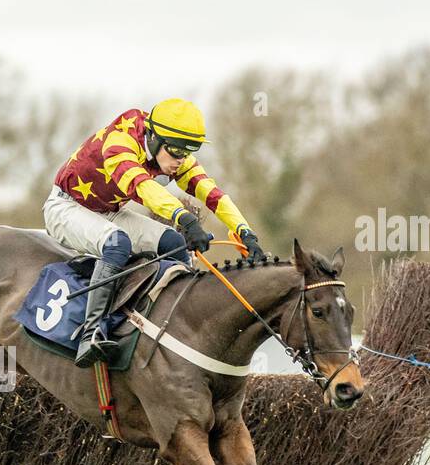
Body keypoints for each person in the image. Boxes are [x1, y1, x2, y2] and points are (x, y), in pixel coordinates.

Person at [45, 98, 265, 367]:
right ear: (155, 139)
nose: (180, 161)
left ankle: (177, 324)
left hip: (107, 209)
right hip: (66, 207)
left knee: (173, 243)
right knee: (117, 244)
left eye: (186, 152)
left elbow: (212, 193)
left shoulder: (171, 152)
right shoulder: (120, 143)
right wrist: (184, 218)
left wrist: (244, 231)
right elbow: (143, 187)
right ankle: (89, 333)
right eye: (176, 153)